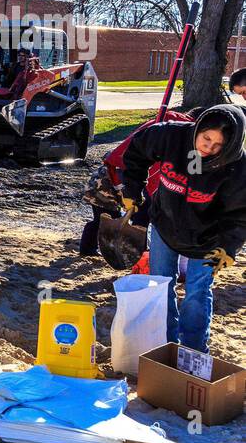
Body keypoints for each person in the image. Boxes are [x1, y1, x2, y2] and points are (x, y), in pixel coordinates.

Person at [121, 105, 246, 353]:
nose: (208, 148)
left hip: (207, 239)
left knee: (197, 294)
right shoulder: (170, 136)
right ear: (198, 129)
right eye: (206, 138)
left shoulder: (238, 168)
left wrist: (228, 247)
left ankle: (194, 350)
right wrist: (132, 189)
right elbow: (136, 152)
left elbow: (240, 214)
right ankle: (166, 345)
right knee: (161, 286)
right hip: (165, 225)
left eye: (218, 145)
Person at [79, 109, 195, 256]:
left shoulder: (165, 126)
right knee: (105, 218)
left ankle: (132, 246)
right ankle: (89, 249)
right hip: (107, 180)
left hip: (117, 174)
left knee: (135, 215)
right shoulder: (182, 130)